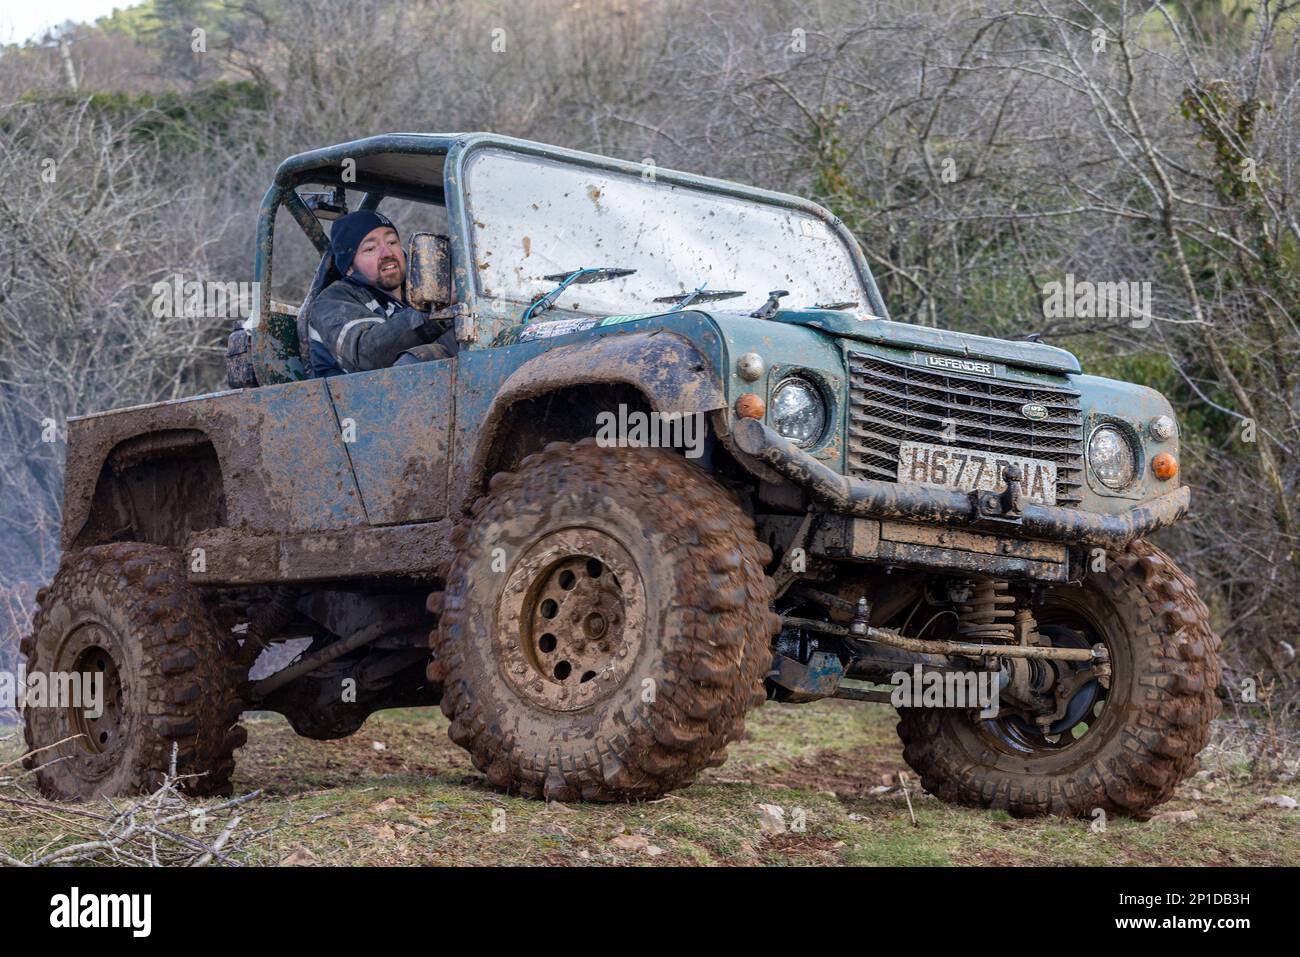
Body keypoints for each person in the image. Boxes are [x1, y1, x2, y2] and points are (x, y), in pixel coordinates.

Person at [305, 210, 460, 376]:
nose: (387, 253)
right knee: (419, 359)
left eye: (392, 242)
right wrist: (436, 310)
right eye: (370, 248)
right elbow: (367, 353)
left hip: (443, 392)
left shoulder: (416, 295)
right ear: (349, 267)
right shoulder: (332, 301)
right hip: (359, 398)